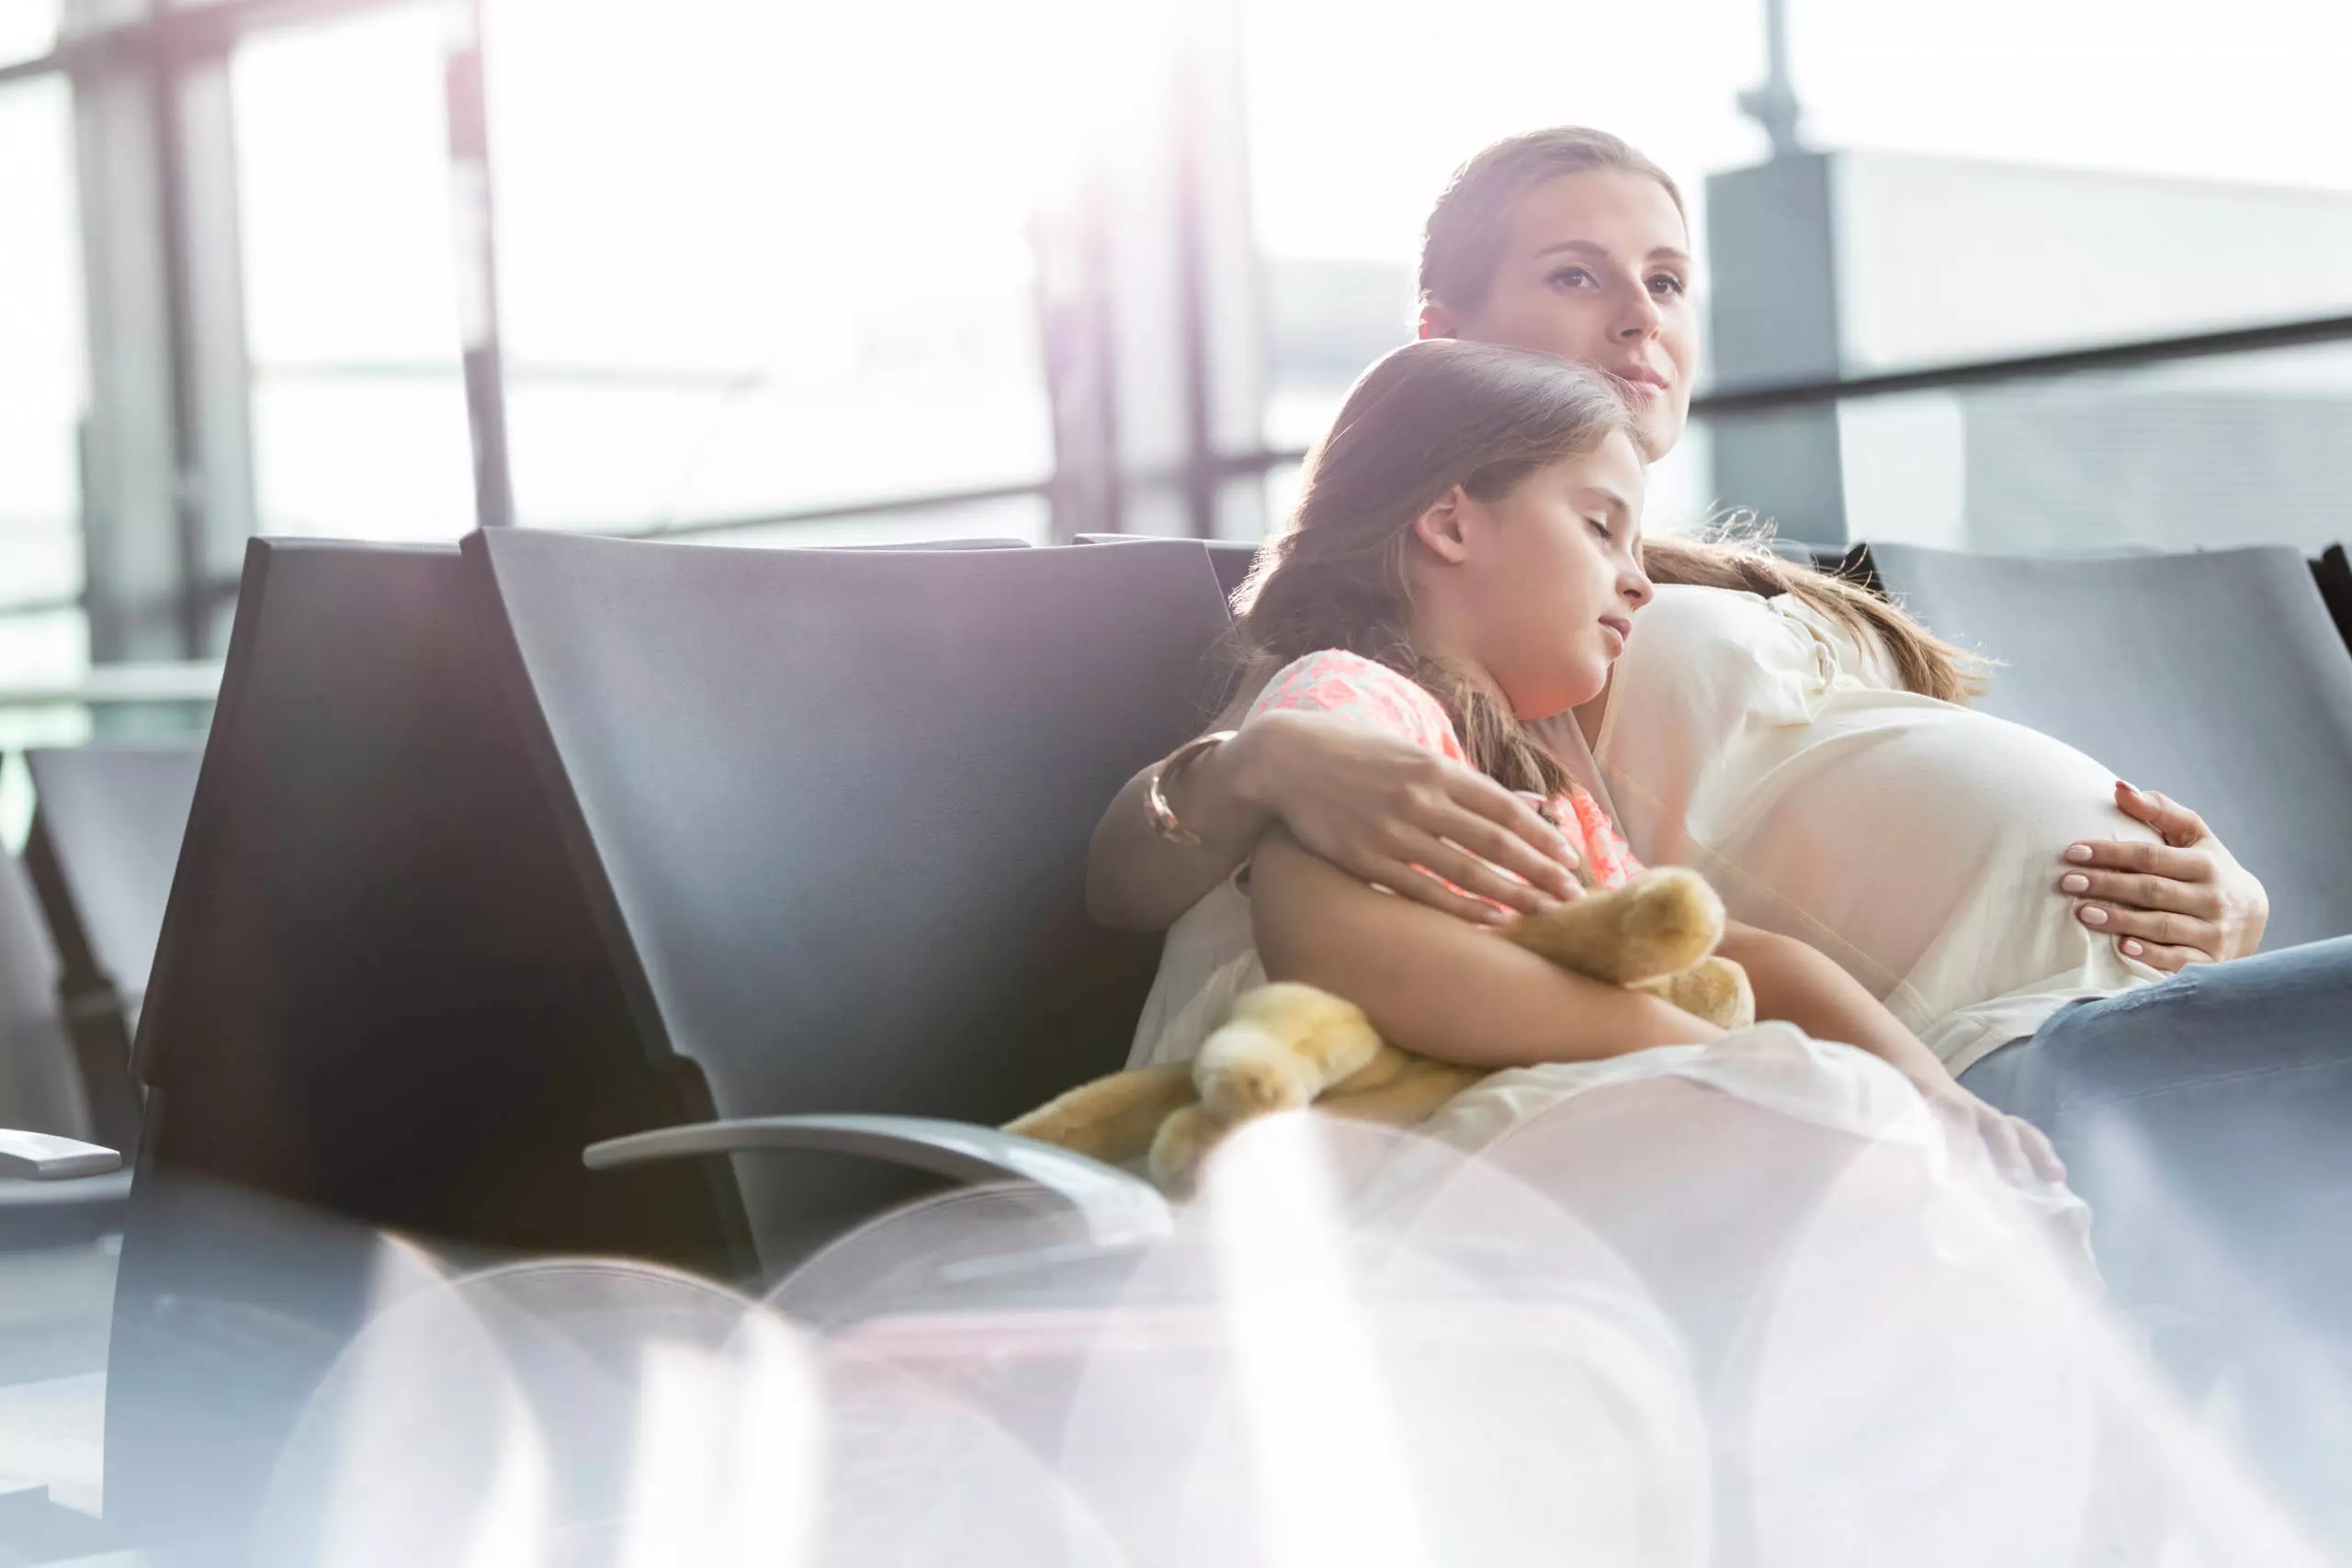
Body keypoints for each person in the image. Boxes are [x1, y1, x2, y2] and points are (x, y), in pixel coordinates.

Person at [1086, 130, 2352, 1317]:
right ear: (1442, 339)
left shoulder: (1655, 593)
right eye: (1577, 273)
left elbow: (1757, 921)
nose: (1640, 314)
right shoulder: (1462, 633)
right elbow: (1197, 866)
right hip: (1967, 1067)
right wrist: (1253, 762)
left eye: (1669, 280)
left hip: (1991, 1057)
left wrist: (2223, 901)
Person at [1125, 334, 2062, 1184]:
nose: (1640, 578)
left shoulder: (1546, 793)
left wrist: (1935, 1095)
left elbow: (1734, 950)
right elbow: (1324, 935)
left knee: (1889, 1144)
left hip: (1475, 1131)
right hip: (1331, 1134)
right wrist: (1695, 1055)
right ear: (1449, 524)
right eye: (1599, 527)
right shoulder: (1349, 698)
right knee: (1835, 1141)